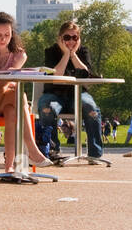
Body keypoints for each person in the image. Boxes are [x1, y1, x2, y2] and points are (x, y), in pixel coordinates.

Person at [0, 11, 51, 170]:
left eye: (7, 34)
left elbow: (5, 85)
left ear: (12, 33)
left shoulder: (19, 54)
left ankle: (9, 168)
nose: (3, 39)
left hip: (5, 101)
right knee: (17, 95)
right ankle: (32, 150)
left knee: (12, 109)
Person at [37, 21, 105, 160]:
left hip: (79, 93)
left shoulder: (83, 51)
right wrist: (66, 54)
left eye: (75, 38)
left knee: (91, 108)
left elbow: (86, 73)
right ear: (60, 38)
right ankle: (52, 151)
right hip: (54, 94)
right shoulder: (50, 51)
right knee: (46, 107)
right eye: (67, 37)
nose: (71, 41)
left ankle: (95, 154)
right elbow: (57, 75)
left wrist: (73, 55)